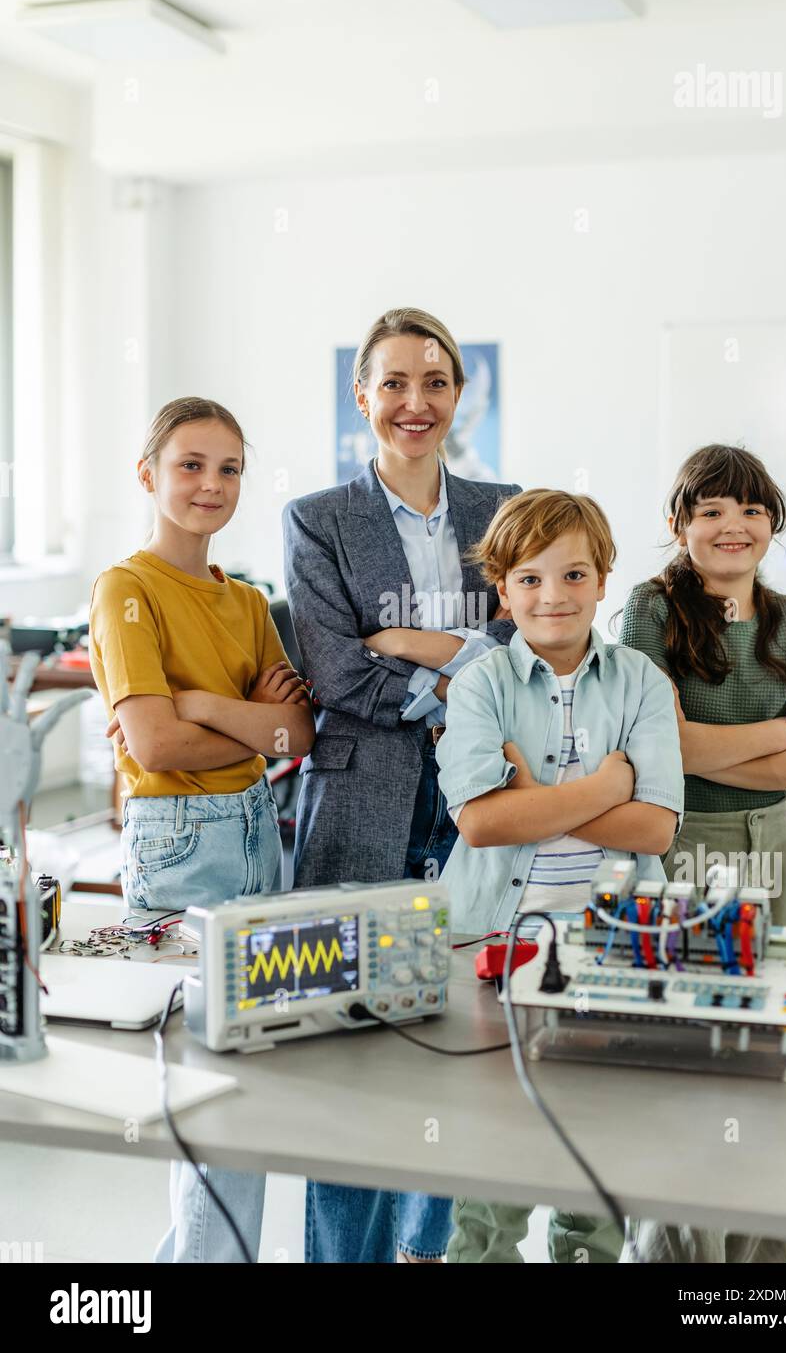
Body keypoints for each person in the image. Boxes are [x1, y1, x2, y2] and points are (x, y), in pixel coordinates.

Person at [282, 306, 520, 1262]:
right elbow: (335, 671)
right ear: (362, 396)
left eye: (434, 383)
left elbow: (532, 637)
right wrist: (467, 678)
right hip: (359, 807)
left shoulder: (505, 510)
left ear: (458, 395)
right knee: (352, 1056)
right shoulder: (316, 519)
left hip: (480, 812)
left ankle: (430, 1252)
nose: (414, 403)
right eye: (394, 384)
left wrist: (418, 653)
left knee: (457, 1049)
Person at [90, 396, 314, 1262]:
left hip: (261, 839)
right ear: (148, 475)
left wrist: (208, 705)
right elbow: (152, 741)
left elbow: (300, 737)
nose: (211, 485)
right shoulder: (127, 588)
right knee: (209, 1101)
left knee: (236, 1098)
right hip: (180, 844)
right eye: (190, 464)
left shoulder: (252, 602)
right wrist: (252, 722)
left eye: (228, 469)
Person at [434, 487, 684, 1262]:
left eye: (575, 575)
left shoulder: (639, 679)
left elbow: (657, 826)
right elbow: (479, 821)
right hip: (493, 942)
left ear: (604, 581)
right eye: (532, 579)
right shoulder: (481, 684)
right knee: (491, 1173)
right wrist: (606, 788)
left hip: (608, 951)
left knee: (594, 1165)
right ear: (503, 590)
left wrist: (537, 800)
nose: (554, 596)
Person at [619, 442, 786, 1263]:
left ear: (771, 524)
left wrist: (716, 744)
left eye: (749, 509)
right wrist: (779, 728)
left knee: (776, 1056)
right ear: (679, 526)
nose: (731, 526)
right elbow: (659, 749)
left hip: (777, 844)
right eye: (709, 510)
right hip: (686, 846)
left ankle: (759, 1282)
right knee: (691, 1058)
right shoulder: (649, 611)